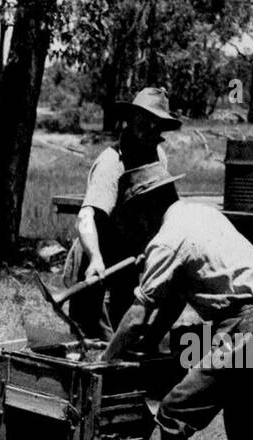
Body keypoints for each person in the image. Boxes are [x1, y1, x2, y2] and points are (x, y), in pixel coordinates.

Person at [84, 162, 253, 440]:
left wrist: (106, 360)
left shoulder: (168, 238)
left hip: (243, 326)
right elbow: (176, 298)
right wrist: (147, 343)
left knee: (175, 411)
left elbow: (136, 312)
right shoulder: (199, 214)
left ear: (144, 209)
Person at [63, 86, 180, 340]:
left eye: (157, 124)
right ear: (131, 119)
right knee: (90, 333)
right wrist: (95, 258)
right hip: (97, 256)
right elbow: (86, 217)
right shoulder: (111, 164)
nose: (151, 129)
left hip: (127, 257)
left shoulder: (157, 155)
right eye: (145, 121)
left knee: (123, 327)